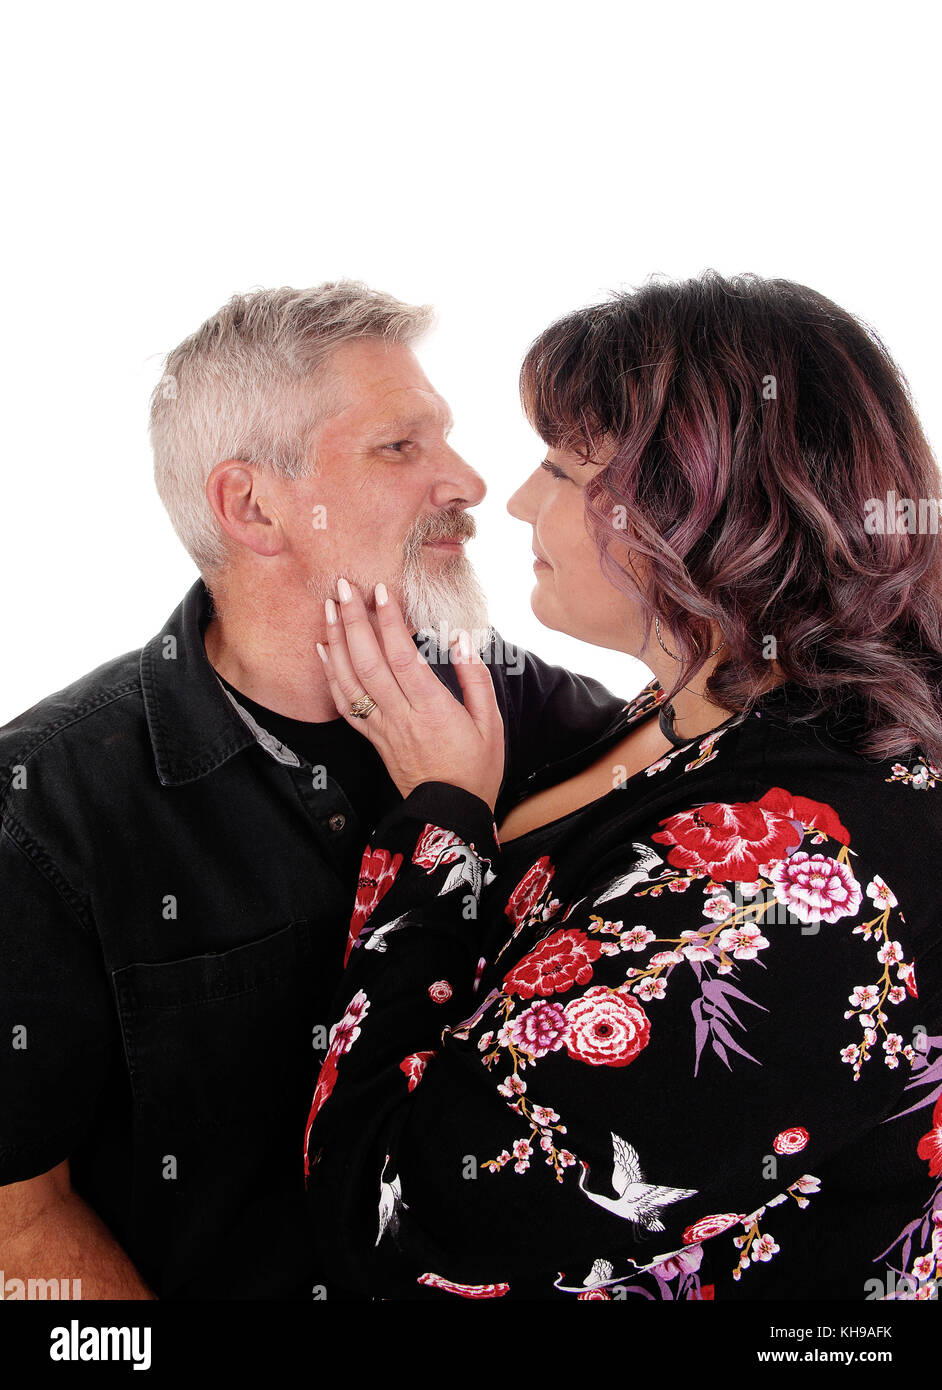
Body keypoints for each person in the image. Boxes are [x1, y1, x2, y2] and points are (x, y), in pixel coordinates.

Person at [304, 273, 942, 1301]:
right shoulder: (688, 707)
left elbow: (406, 1226)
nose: (514, 498)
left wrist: (444, 822)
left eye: (561, 466)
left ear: (699, 502)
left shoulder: (799, 882)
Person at [0, 282, 627, 1299]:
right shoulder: (47, 806)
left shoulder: (544, 716)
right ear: (251, 505)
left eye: (448, 440)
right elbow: (18, 1213)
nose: (469, 482)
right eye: (399, 448)